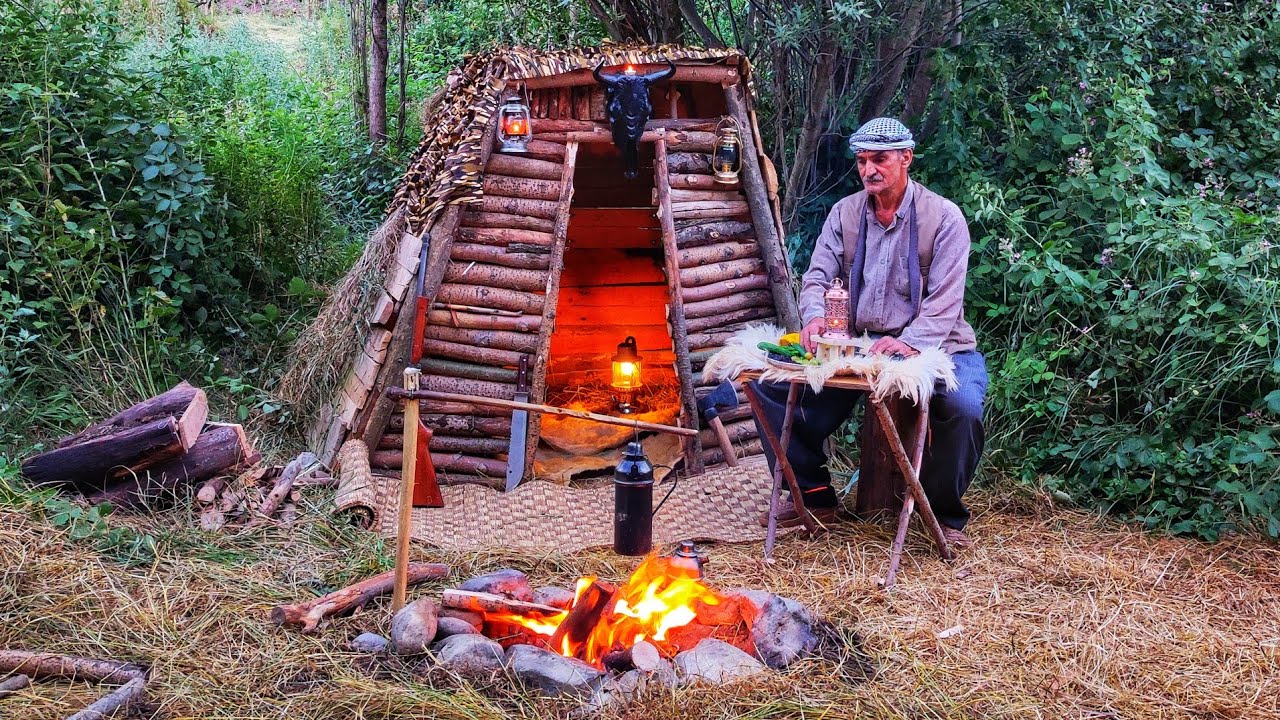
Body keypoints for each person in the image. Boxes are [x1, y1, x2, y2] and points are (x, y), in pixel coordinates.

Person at [750, 117, 988, 548]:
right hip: (858, 346)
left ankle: (942, 513)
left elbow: (945, 300)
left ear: (906, 158)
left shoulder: (944, 218)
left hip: (937, 347)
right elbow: (818, 275)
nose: (868, 170)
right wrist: (817, 318)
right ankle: (814, 496)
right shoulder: (845, 213)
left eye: (879, 159)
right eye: (861, 161)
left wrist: (912, 342)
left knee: (964, 407)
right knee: (769, 386)